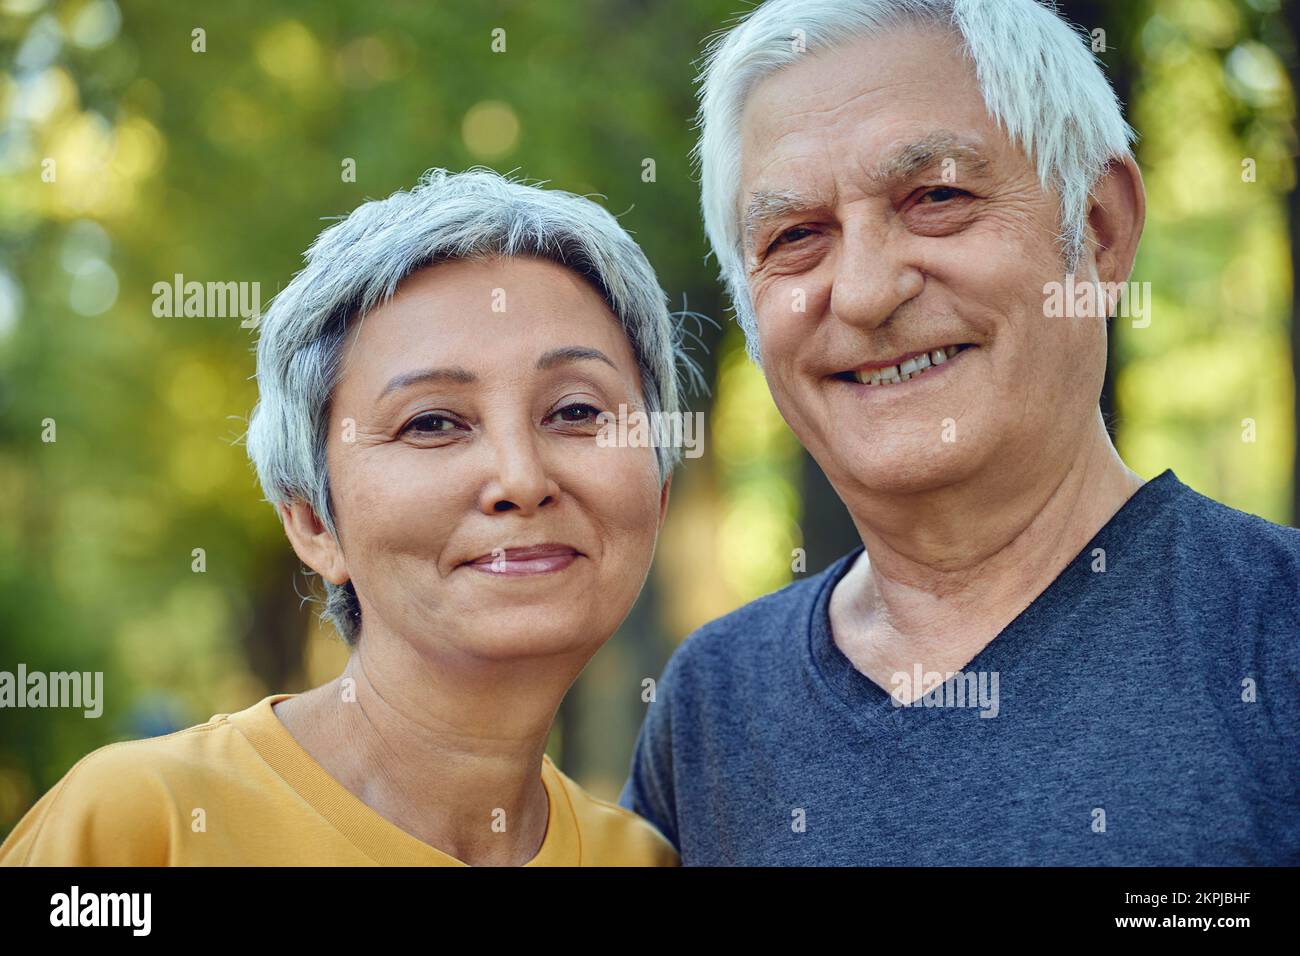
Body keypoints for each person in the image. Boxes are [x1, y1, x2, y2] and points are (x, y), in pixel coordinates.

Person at [619, 0, 1300, 864]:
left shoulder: (1277, 638)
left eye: (937, 196)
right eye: (796, 237)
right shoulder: (716, 707)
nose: (864, 292)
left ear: (1098, 230)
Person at [2, 167, 689, 867]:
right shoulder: (141, 827)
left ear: (658, 490)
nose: (521, 478)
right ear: (312, 522)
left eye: (576, 411)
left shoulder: (640, 858)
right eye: (432, 422)